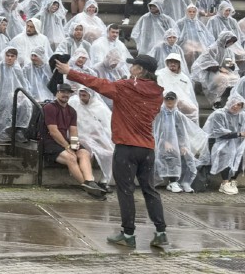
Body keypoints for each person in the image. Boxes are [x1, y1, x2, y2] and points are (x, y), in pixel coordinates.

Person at [55, 53, 169, 249]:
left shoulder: (126, 87)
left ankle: (128, 234)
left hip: (126, 147)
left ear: (140, 70)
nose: (130, 68)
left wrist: (70, 72)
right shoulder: (158, 93)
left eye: (133, 66)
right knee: (150, 190)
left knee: (126, 191)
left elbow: (97, 83)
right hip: (147, 148)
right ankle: (161, 232)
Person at [42, 84, 106, 198]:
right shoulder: (50, 107)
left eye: (68, 92)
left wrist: (74, 145)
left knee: (84, 153)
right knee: (71, 157)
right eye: (62, 92)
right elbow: (53, 131)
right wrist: (67, 147)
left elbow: (73, 131)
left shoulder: (71, 111)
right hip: (49, 142)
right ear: (57, 93)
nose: (65, 94)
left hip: (64, 141)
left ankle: (90, 182)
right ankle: (88, 188)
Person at [203, 94, 245, 196]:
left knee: (239, 154)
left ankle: (233, 180)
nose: (236, 106)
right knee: (227, 152)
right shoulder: (219, 114)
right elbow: (219, 132)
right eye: (234, 103)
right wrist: (239, 134)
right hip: (218, 141)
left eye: (239, 105)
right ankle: (225, 182)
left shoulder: (244, 116)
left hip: (237, 141)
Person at [152, 91, 204, 194]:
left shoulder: (178, 115)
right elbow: (156, 131)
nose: (169, 101)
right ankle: (172, 182)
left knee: (187, 155)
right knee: (171, 154)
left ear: (176, 100)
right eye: (167, 99)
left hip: (174, 144)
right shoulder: (159, 113)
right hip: (159, 144)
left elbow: (181, 132)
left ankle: (184, 182)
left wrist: (183, 145)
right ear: (163, 100)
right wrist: (164, 142)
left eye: (172, 99)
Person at [191, 31, 245, 108]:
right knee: (222, 79)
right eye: (230, 41)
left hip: (221, 71)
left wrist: (230, 65)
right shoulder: (213, 48)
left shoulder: (227, 50)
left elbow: (228, 63)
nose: (231, 43)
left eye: (232, 42)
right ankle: (216, 100)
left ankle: (233, 99)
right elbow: (205, 62)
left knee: (236, 78)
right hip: (208, 72)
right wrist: (220, 68)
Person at [156, 54, 199, 122]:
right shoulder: (159, 74)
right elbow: (158, 90)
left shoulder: (184, 78)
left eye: (175, 62)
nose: (173, 64)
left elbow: (186, 94)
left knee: (194, 110)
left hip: (180, 102)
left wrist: (178, 100)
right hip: (164, 101)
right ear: (167, 63)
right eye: (171, 62)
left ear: (179, 64)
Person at [176, 4, 214, 68]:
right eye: (190, 11)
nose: (191, 13)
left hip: (198, 46)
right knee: (188, 59)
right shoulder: (180, 23)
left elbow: (207, 36)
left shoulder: (199, 23)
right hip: (185, 47)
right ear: (186, 12)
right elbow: (176, 34)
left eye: (193, 12)